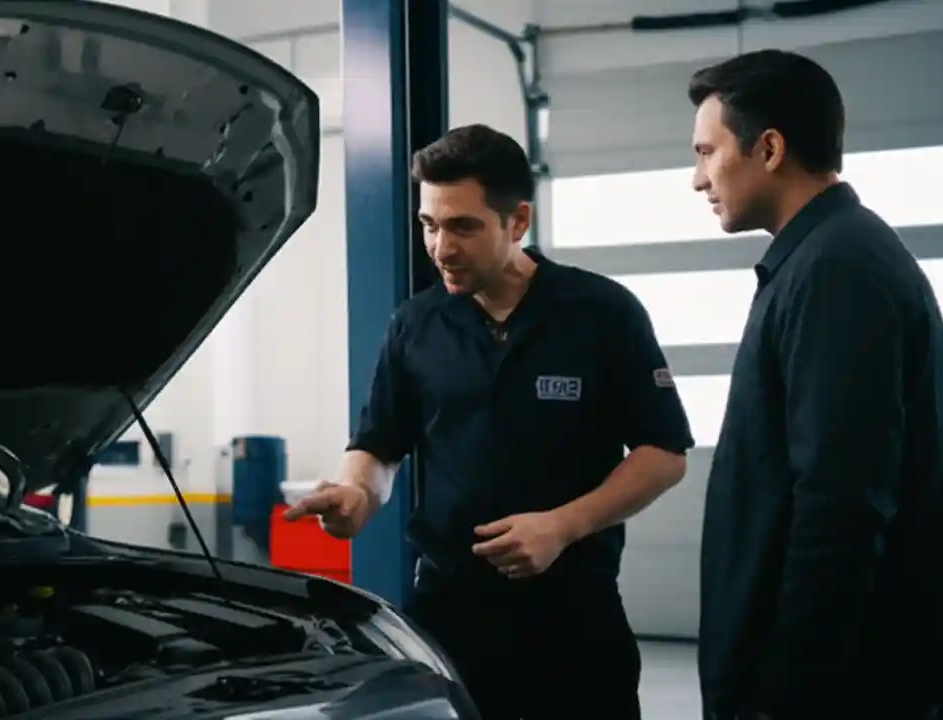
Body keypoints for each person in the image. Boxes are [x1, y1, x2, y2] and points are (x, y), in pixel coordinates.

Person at [283, 123, 694, 720]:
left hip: (574, 618)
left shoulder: (602, 314)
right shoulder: (414, 325)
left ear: (517, 222)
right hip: (449, 620)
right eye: (429, 225)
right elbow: (379, 444)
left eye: (462, 226)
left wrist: (560, 527)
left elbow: (665, 453)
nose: (441, 248)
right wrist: (356, 495)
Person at [687, 50, 943, 720]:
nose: (697, 180)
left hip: (841, 691)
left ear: (771, 148)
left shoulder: (836, 271)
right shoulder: (824, 258)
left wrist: (789, 692)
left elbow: (841, 502)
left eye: (707, 152)